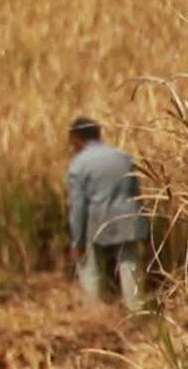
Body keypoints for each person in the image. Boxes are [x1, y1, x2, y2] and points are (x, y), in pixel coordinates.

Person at [61, 117, 151, 310]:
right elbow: (136, 191)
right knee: (129, 263)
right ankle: (136, 310)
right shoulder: (123, 157)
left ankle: (94, 310)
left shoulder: (78, 165)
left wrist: (77, 242)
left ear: (76, 138)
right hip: (129, 217)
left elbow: (78, 207)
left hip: (99, 219)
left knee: (87, 263)